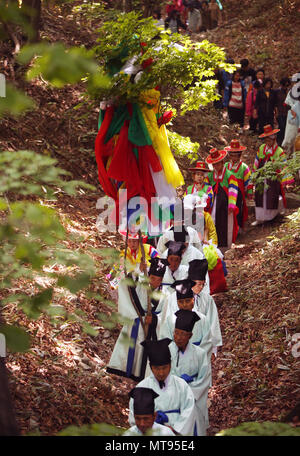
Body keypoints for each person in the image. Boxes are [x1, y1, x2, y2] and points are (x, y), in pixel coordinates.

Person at [107, 257, 169, 381]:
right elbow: (128, 281)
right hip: (136, 322)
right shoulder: (141, 285)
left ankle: (145, 378)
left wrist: (155, 319)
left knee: (146, 357)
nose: (155, 282)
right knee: (133, 351)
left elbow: (166, 314)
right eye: (152, 278)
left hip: (153, 328)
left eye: (159, 280)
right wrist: (138, 270)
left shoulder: (166, 294)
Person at [128, 338, 198, 435]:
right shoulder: (142, 387)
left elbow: (189, 410)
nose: (161, 373)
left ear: (170, 365)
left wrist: (175, 430)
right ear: (151, 367)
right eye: (156, 368)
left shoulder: (181, 385)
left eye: (164, 368)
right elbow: (133, 415)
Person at [170, 309, 211, 435]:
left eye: (183, 334)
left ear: (190, 336)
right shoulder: (165, 350)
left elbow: (204, 378)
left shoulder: (200, 353)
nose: (178, 337)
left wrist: (189, 394)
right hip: (171, 394)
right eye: (176, 333)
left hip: (193, 396)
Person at [159, 279, 213, 363]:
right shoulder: (170, 320)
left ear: (193, 300)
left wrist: (193, 356)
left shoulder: (202, 319)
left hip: (196, 362)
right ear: (177, 303)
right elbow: (165, 341)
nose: (184, 305)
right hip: (176, 362)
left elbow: (207, 343)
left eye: (187, 301)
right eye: (181, 302)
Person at [252, 124, 294, 225]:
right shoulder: (262, 148)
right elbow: (256, 162)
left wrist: (285, 179)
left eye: (269, 140)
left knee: (272, 196)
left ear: (274, 139)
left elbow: (283, 165)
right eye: (266, 141)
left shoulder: (278, 151)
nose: (268, 143)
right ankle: (260, 217)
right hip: (261, 176)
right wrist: (254, 175)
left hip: (273, 178)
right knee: (259, 196)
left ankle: (271, 217)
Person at [205, 148, 239, 252]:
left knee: (225, 224)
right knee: (212, 223)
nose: (216, 166)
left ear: (222, 162)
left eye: (218, 164)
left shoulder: (229, 175)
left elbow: (233, 189)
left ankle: (225, 247)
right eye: (214, 164)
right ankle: (213, 245)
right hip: (213, 204)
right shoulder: (210, 175)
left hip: (225, 205)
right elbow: (206, 188)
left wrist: (231, 204)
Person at [224, 139, 253, 231]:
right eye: (232, 155)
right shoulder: (225, 166)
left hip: (239, 192)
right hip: (227, 191)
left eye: (236, 155)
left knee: (238, 208)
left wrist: (249, 192)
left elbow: (248, 181)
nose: (234, 158)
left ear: (239, 155)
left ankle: (238, 226)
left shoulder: (244, 167)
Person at [275, 77, 291, 146]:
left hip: (287, 113)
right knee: (281, 126)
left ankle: (283, 142)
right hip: (279, 112)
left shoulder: (289, 92)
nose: (285, 87)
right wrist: (276, 112)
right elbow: (275, 103)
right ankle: (279, 141)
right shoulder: (277, 91)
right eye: (284, 85)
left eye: (287, 85)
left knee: (285, 127)